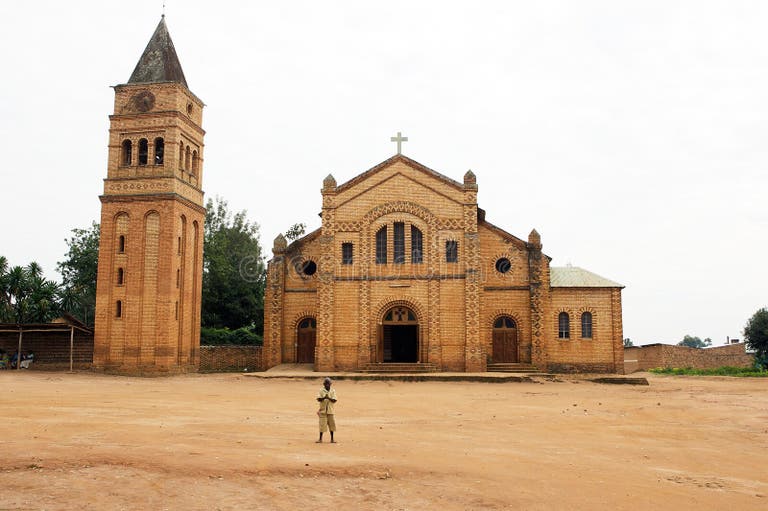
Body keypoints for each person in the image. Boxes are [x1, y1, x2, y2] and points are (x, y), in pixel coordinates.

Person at [316, 377, 338, 443]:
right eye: (326, 384)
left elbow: (335, 400)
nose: (327, 385)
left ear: (330, 384)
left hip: (330, 411)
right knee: (322, 425)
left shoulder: (333, 391)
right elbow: (318, 399)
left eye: (328, 384)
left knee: (332, 425)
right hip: (322, 411)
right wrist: (324, 398)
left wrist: (329, 398)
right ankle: (320, 439)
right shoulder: (321, 390)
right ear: (324, 384)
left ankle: (332, 439)